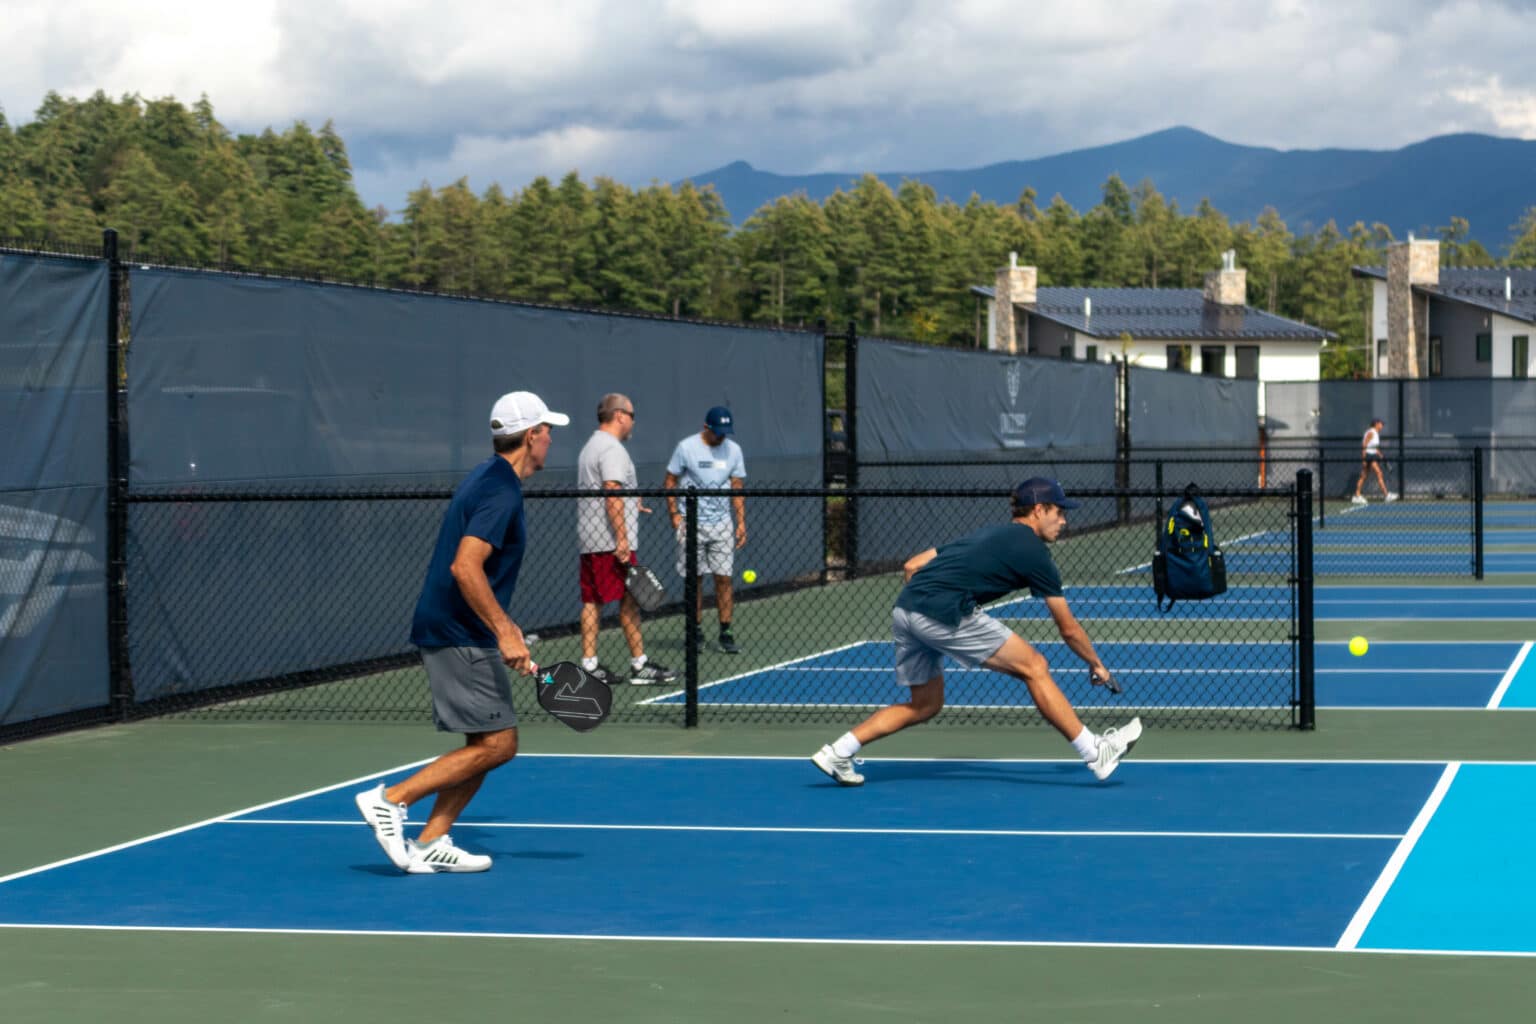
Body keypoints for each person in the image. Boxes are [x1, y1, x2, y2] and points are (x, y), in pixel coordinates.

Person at [354, 390, 569, 873]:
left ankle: (432, 841)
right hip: (458, 630)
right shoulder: (500, 490)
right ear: (532, 436)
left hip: (461, 627)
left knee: (485, 746)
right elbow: (465, 567)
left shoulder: (489, 479)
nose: (552, 439)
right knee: (499, 745)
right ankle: (391, 799)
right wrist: (504, 631)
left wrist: (504, 628)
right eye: (548, 430)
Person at [811, 477, 1143, 786]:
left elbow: (912, 565)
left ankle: (838, 753)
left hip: (905, 609)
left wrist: (929, 610)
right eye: (1058, 512)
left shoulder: (986, 534)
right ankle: (1094, 753)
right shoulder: (1035, 553)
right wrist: (1096, 663)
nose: (1064, 521)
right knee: (1035, 666)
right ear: (1039, 510)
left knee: (925, 705)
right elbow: (1068, 628)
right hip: (944, 611)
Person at [575, 393, 675, 685]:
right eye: (632, 415)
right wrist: (621, 538)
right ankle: (639, 665)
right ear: (619, 416)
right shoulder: (611, 449)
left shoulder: (591, 447)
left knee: (593, 601)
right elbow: (611, 491)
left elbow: (613, 492)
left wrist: (634, 503)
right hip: (611, 542)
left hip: (592, 539)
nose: (633, 422)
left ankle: (590, 665)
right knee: (630, 600)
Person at [664, 406, 747, 654]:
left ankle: (726, 631)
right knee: (695, 580)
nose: (722, 437)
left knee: (724, 579)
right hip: (692, 524)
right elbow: (670, 481)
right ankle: (696, 631)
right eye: (718, 432)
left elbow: (737, 485)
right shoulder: (686, 448)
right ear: (706, 427)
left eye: (725, 432)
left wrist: (741, 521)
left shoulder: (734, 450)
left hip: (722, 524)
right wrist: (675, 515)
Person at [1352, 417, 1397, 504]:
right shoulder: (1371, 432)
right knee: (1378, 473)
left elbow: (1374, 447)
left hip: (1372, 456)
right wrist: (1364, 459)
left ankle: (1357, 495)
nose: (1382, 426)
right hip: (1369, 456)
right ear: (1376, 424)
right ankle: (1386, 495)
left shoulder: (1376, 433)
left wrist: (1381, 455)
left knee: (1364, 476)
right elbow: (1364, 444)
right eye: (1381, 424)